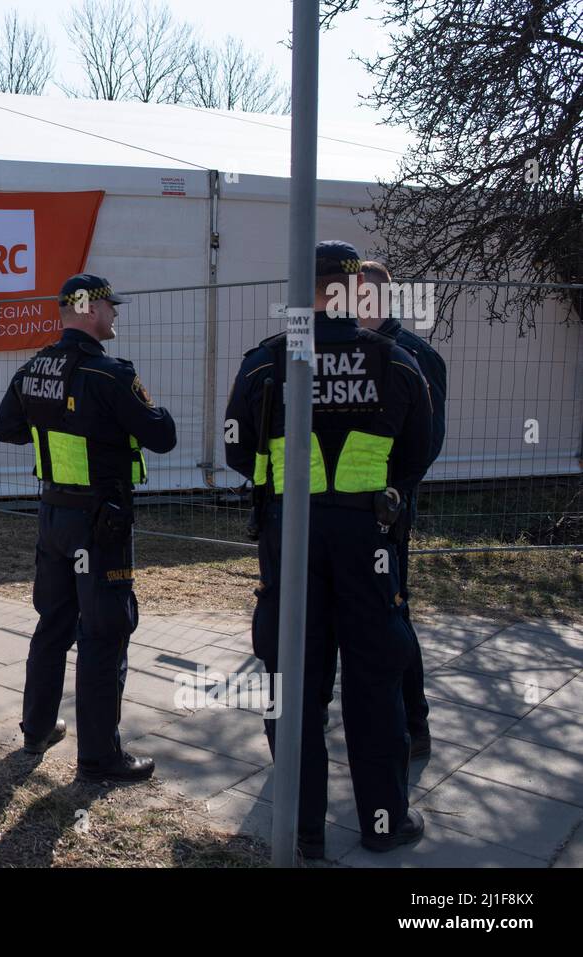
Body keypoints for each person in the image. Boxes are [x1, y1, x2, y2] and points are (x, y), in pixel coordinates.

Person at [224, 241, 433, 856]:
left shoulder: (268, 363)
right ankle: (383, 824)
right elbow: (419, 453)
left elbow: (238, 448)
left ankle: (303, 831)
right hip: (369, 538)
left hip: (291, 538)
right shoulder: (396, 361)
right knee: (374, 680)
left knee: (292, 682)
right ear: (350, 288)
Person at [0, 274, 176, 783]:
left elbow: (5, 428)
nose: (115, 314)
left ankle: (36, 730)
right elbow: (162, 436)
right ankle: (99, 758)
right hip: (101, 525)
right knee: (104, 633)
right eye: (110, 307)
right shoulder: (111, 374)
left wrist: (55, 426)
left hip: (53, 517)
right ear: (89, 309)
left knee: (52, 623)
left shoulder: (34, 369)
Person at [318, 261, 446, 758]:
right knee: (328, 613)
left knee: (391, 614)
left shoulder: (413, 355)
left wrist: (388, 495)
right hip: (333, 510)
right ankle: (331, 712)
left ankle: (413, 723)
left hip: (385, 512)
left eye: (365, 295)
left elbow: (427, 442)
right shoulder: (333, 349)